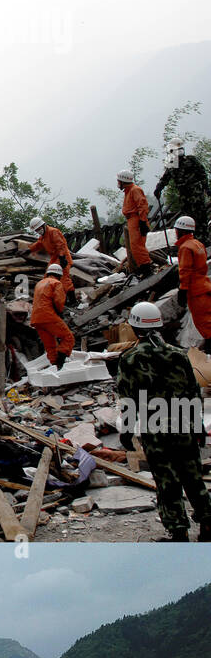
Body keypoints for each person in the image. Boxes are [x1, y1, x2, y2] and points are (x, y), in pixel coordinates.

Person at [116, 301, 211, 541]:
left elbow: (129, 401)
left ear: (135, 329)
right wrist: (198, 426)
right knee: (193, 477)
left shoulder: (130, 359)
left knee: (167, 482)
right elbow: (193, 392)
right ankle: (208, 524)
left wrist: (126, 433)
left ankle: (179, 532)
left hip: (155, 430)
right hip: (184, 424)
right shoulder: (179, 355)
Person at [155, 138, 210, 245]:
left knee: (201, 219)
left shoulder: (191, 160)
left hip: (196, 195)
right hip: (184, 197)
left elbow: (202, 174)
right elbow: (165, 178)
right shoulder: (172, 164)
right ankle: (193, 241)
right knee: (188, 220)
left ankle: (204, 241)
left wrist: (206, 188)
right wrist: (159, 188)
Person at [174, 215, 211, 353]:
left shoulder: (185, 248)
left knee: (204, 323)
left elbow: (185, 271)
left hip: (195, 291)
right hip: (204, 285)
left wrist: (182, 290)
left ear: (181, 231)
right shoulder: (197, 244)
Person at [30, 263, 74, 365]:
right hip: (48, 316)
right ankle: (61, 361)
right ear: (59, 275)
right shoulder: (56, 283)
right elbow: (58, 301)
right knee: (68, 338)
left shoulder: (39, 283)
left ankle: (54, 366)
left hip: (36, 319)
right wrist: (60, 313)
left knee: (50, 346)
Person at [21, 216, 74, 297]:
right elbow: (38, 244)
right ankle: (57, 298)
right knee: (47, 278)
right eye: (36, 230)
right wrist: (28, 250)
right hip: (54, 259)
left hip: (62, 257)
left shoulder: (53, 232)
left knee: (64, 280)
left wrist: (62, 258)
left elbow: (61, 245)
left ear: (43, 225)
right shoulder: (43, 237)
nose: (38, 231)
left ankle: (73, 300)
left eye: (39, 229)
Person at [117, 170, 152, 275]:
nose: (118, 183)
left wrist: (142, 221)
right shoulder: (129, 190)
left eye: (119, 181)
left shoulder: (134, 190)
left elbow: (142, 205)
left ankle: (146, 270)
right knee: (135, 246)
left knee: (138, 246)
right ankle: (143, 269)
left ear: (123, 181)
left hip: (136, 220)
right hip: (133, 220)